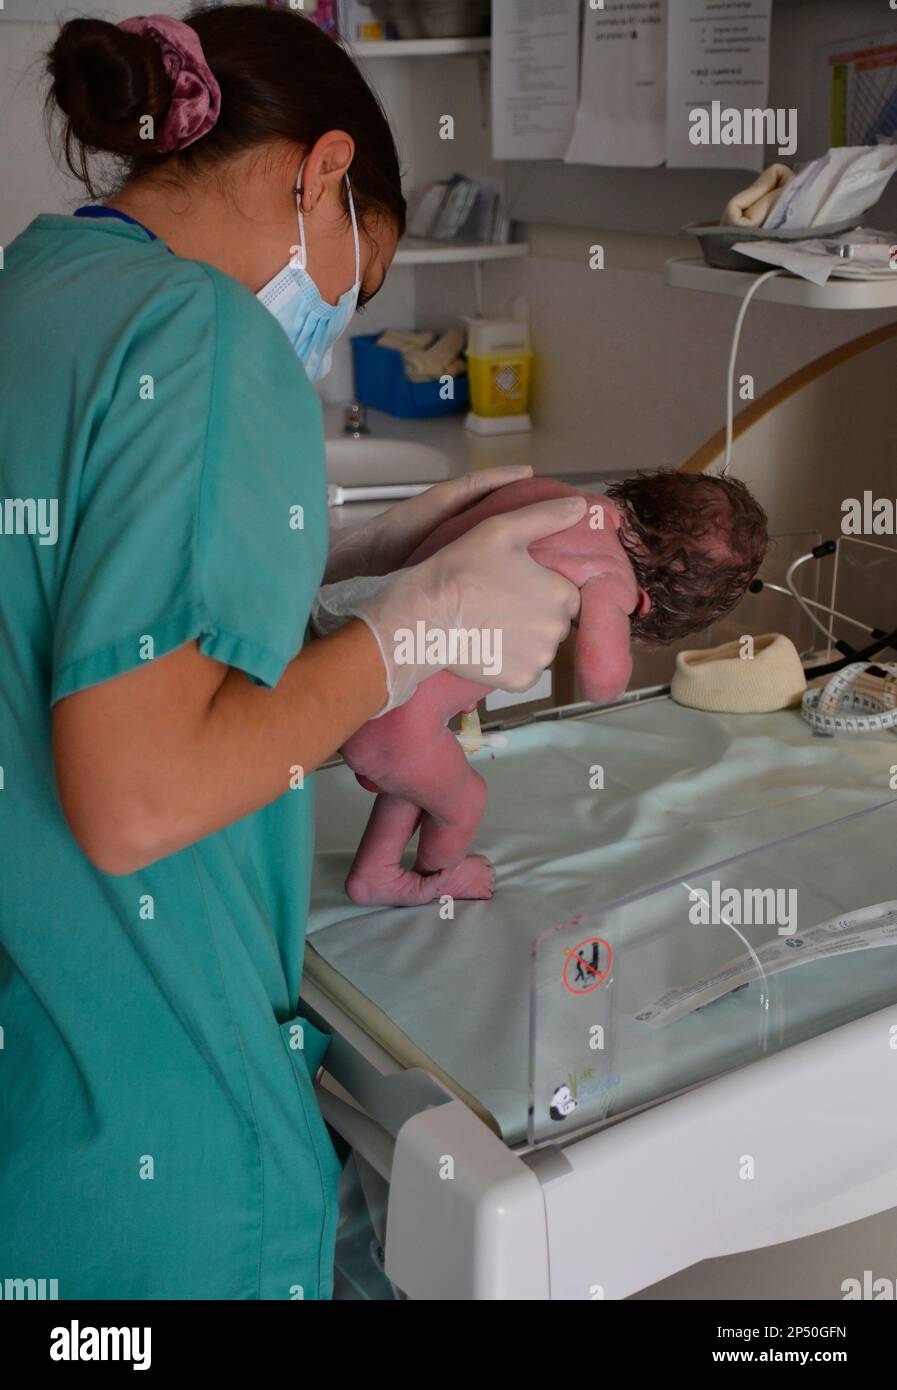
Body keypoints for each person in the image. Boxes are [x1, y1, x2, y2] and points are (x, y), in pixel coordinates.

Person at [0, 6, 589, 1299]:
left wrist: (354, 551)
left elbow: (54, 581)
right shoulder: (203, 334)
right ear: (320, 172)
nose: (326, 322)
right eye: (352, 277)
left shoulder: (39, 287)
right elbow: (139, 794)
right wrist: (412, 633)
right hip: (158, 1116)